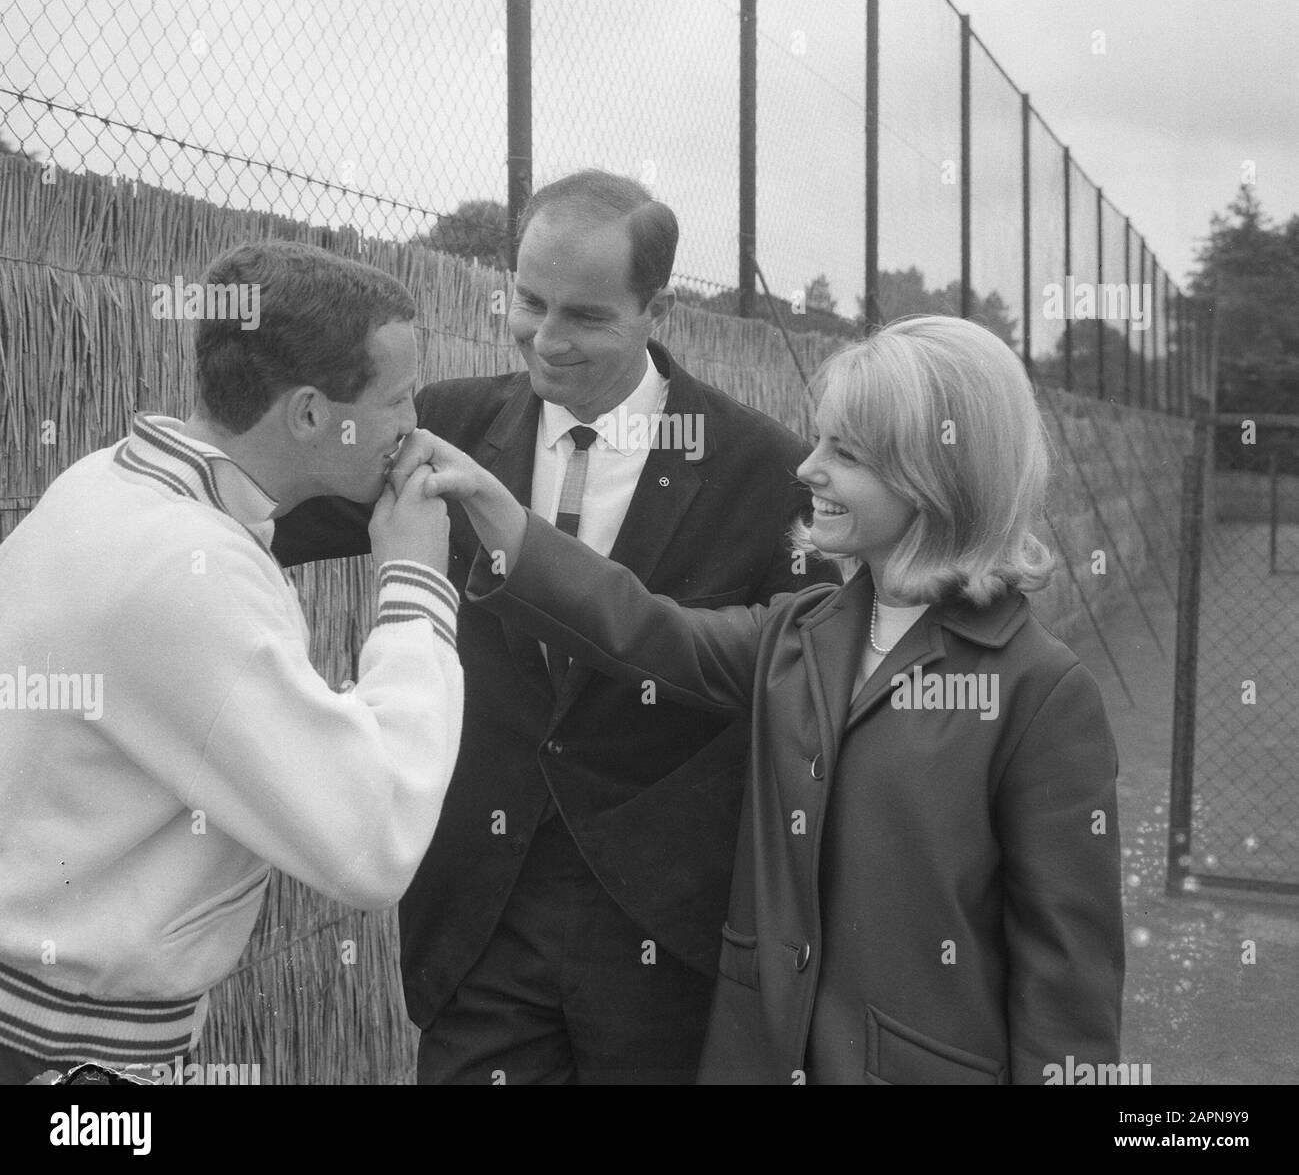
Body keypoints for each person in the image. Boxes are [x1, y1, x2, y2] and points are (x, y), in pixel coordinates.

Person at [399, 313, 1126, 1084]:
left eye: (843, 453)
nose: (807, 468)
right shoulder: (798, 633)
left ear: (934, 476)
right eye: (818, 440)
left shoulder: (1038, 694)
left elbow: (1068, 981)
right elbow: (639, 629)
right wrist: (495, 509)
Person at [272, 169, 836, 1084]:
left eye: (587, 316)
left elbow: (790, 682)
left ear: (657, 310)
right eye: (530, 301)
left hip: (663, 936)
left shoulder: (764, 471)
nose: (548, 338)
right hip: (479, 922)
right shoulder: (442, 426)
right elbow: (265, 508)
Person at [0, 240, 462, 1085]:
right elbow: (371, 841)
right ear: (312, 413)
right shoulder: (189, 572)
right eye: (397, 399)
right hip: (65, 1063)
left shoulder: (105, 483)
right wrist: (414, 587)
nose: (412, 426)